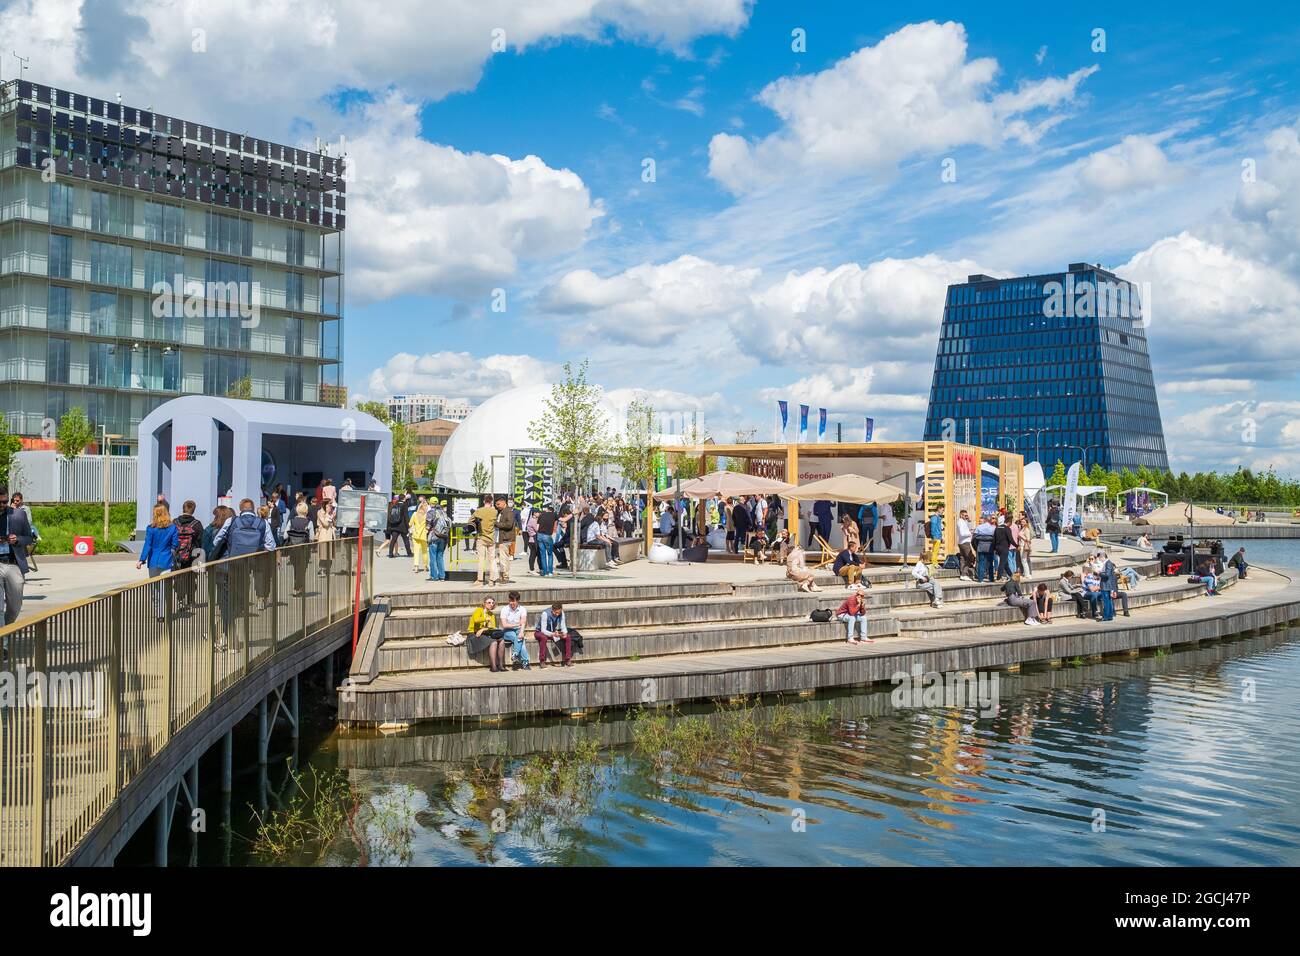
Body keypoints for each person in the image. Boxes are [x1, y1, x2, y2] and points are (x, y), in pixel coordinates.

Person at [138, 503, 178, 622]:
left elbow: (148, 545)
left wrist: (141, 559)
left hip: (153, 561)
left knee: (154, 588)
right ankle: (163, 612)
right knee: (164, 588)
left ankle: (158, 612)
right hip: (167, 560)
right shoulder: (172, 528)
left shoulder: (150, 528)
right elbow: (175, 544)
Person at [0, 487, 33, 631]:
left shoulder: (19, 514)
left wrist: (17, 539)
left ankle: (5, 634)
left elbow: (29, 538)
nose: (2, 505)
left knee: (14, 607)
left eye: (5, 502)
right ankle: (3, 646)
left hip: (13, 564)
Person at [172, 499, 204, 611]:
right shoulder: (197, 524)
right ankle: (191, 601)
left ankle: (180, 599)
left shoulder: (174, 522)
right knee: (191, 578)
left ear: (183, 509)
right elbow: (200, 542)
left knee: (179, 579)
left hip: (176, 556)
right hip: (191, 556)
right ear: (193, 510)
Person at [466, 596, 509, 673]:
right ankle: (493, 666)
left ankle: (501, 665)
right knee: (494, 642)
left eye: (492, 603)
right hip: (473, 634)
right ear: (484, 603)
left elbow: (491, 627)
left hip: (484, 633)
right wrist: (486, 619)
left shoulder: (491, 614)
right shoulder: (479, 610)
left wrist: (483, 629)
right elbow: (476, 620)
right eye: (489, 602)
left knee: (502, 641)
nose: (491, 604)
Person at [284, 501, 314, 596]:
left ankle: (297, 588)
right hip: (304, 549)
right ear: (306, 511)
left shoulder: (291, 521)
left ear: (297, 510)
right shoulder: (309, 522)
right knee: (302, 569)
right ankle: (299, 588)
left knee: (296, 569)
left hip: (293, 549)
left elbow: (285, 536)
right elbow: (312, 538)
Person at [499, 590, 531, 670]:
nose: (511, 603)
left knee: (520, 638)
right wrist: (517, 624)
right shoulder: (504, 609)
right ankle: (525, 662)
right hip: (507, 631)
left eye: (514, 602)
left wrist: (521, 632)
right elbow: (504, 625)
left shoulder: (522, 609)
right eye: (510, 601)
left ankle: (515, 654)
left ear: (518, 601)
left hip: (518, 630)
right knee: (517, 638)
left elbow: (523, 622)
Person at [471, 495, 499, 586]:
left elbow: (470, 520)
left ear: (484, 501)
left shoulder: (479, 511)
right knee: (492, 560)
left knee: (481, 559)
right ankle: (491, 580)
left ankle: (480, 580)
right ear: (491, 502)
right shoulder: (494, 511)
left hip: (481, 538)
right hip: (491, 538)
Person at [535, 601, 573, 667]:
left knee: (568, 637)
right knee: (544, 638)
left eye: (559, 612)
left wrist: (564, 633)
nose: (557, 614)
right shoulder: (545, 613)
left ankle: (568, 659)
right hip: (540, 632)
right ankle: (542, 661)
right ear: (552, 610)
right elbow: (543, 630)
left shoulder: (561, 613)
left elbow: (563, 625)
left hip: (553, 632)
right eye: (556, 613)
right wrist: (553, 634)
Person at [494, 496, 518, 582]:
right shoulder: (500, 512)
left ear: (504, 502)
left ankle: (505, 576)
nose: (497, 506)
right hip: (499, 538)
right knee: (499, 559)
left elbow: (509, 525)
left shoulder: (509, 512)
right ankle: (501, 576)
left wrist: (496, 524)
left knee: (504, 559)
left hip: (505, 539)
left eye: (498, 504)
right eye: (496, 504)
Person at [426, 502, 451, 582]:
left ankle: (434, 576)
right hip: (443, 538)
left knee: (433, 557)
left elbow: (428, 526)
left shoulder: (431, 512)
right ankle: (442, 576)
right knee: (440, 557)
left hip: (434, 537)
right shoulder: (444, 513)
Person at [973, 514, 995, 582]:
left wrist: (976, 547)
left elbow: (973, 538)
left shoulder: (979, 527)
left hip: (981, 546)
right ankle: (991, 578)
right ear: (990, 520)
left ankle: (980, 579)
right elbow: (995, 538)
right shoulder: (993, 528)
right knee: (990, 563)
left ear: (985, 520)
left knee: (981, 563)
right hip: (990, 547)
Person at [410, 500, 429, 573]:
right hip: (423, 535)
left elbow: (410, 523)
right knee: (424, 552)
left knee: (416, 551)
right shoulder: (426, 515)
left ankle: (416, 567)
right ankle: (425, 566)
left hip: (415, 535)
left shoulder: (415, 514)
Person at [955, 508, 976, 580]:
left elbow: (965, 530)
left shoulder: (963, 522)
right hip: (964, 542)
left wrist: (968, 520)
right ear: (961, 515)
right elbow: (962, 533)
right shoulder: (960, 522)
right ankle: (964, 573)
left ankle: (963, 574)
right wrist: (970, 533)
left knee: (963, 558)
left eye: (967, 515)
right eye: (965, 515)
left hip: (963, 542)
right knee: (970, 558)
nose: (966, 516)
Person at [992, 515, 1014, 580]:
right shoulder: (1007, 529)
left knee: (1005, 564)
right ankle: (998, 578)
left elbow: (994, 540)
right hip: (1004, 548)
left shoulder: (997, 528)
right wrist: (1016, 546)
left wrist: (994, 548)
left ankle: (1012, 576)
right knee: (1002, 563)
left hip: (998, 548)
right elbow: (1010, 539)